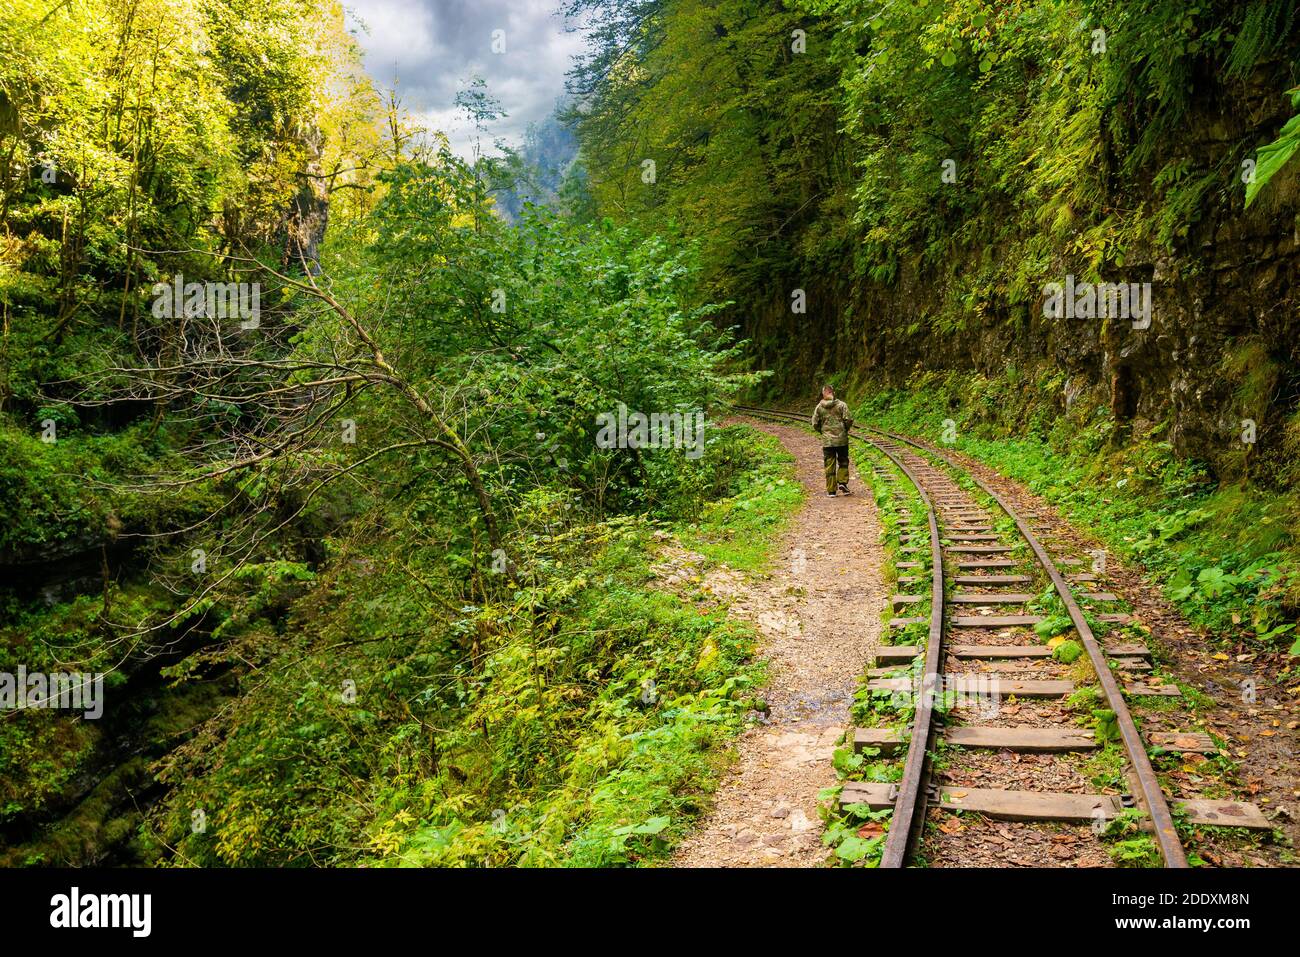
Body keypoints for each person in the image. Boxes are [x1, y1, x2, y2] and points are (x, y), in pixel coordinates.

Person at [812, 385, 853, 496]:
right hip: (842, 440)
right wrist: (845, 429)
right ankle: (843, 483)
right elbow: (848, 420)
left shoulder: (819, 407)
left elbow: (815, 423)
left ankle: (831, 490)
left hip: (827, 442)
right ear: (833, 392)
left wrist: (823, 432)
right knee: (843, 461)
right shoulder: (842, 405)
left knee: (829, 464)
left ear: (824, 393)